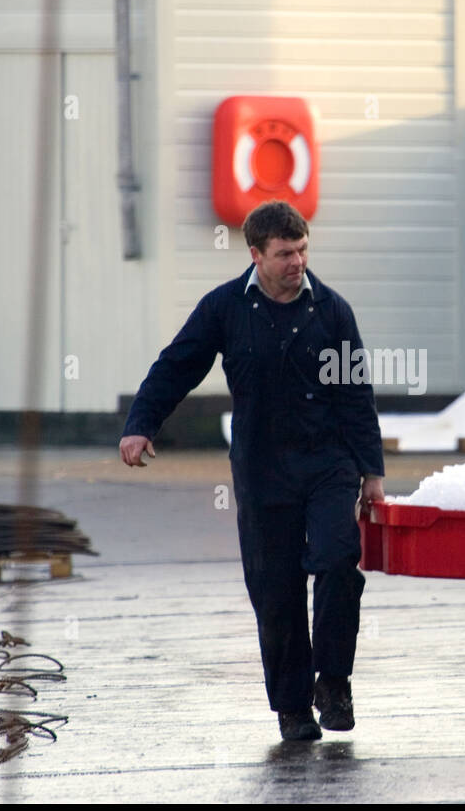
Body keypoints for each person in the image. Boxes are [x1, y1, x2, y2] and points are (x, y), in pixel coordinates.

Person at [118, 200, 385, 741]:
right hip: (263, 469)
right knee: (275, 586)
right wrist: (140, 424)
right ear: (256, 255)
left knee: (338, 561)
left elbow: (356, 397)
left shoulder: (332, 311)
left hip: (328, 462)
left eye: (303, 249)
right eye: (285, 253)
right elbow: (176, 367)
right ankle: (292, 708)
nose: (298, 262)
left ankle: (334, 681)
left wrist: (371, 472)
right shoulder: (224, 308)